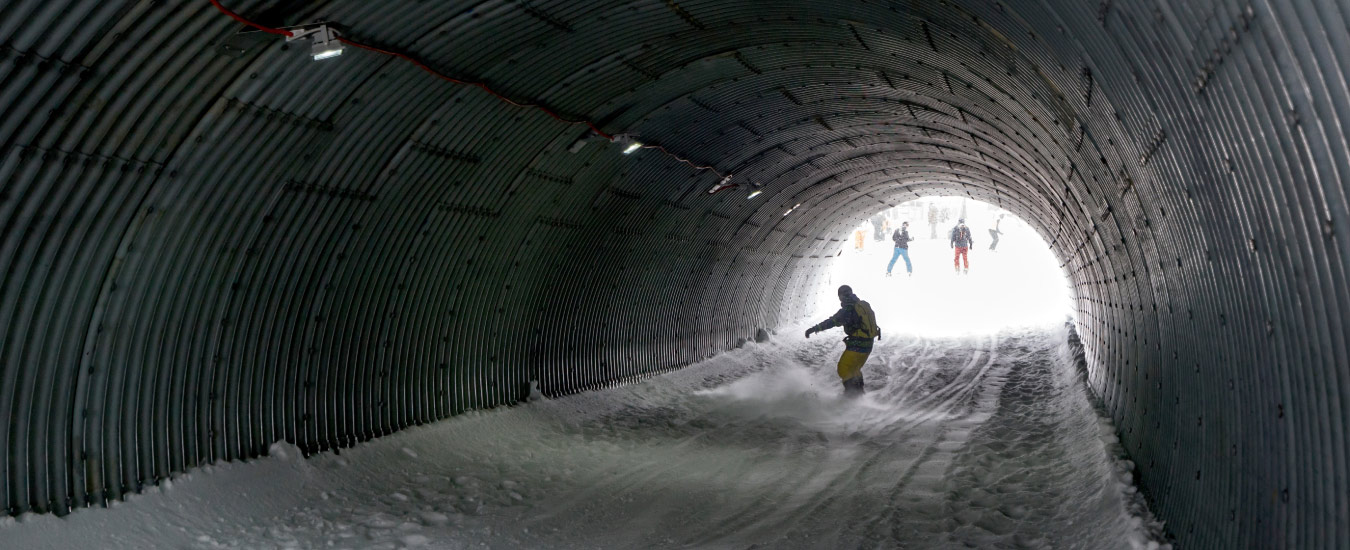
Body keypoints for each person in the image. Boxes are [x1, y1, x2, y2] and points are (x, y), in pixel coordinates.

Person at [805, 285, 881, 397]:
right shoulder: (861, 305)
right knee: (854, 369)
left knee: (843, 368)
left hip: (857, 345)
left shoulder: (848, 309)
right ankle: (860, 395)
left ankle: (851, 397)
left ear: (841, 296)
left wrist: (813, 329)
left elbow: (832, 322)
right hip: (868, 345)